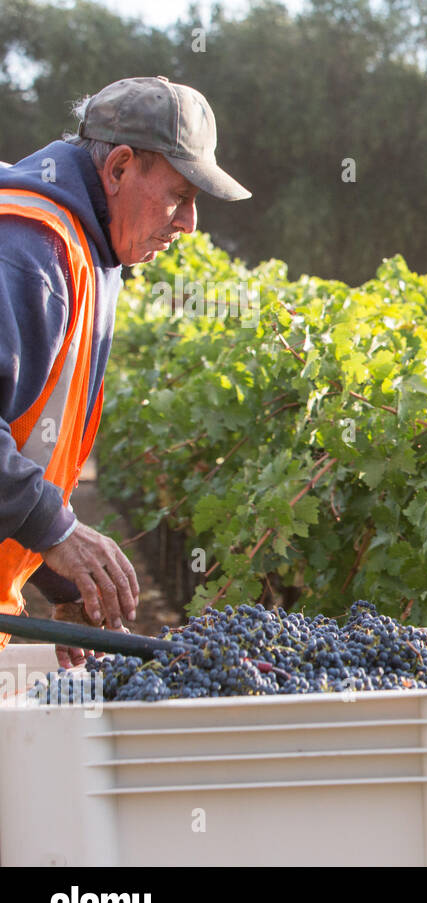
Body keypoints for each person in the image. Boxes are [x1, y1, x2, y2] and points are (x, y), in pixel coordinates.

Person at [0, 76, 250, 665]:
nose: (189, 223)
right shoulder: (30, 252)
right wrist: (57, 531)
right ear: (117, 168)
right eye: (179, 195)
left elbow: (27, 434)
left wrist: (62, 577)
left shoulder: (87, 249)